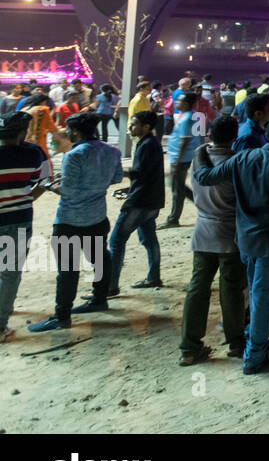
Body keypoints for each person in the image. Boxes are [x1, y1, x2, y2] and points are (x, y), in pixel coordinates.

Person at [193, 116, 269, 374]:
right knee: (263, 297)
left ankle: (255, 339)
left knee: (255, 293)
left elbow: (204, 177)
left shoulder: (242, 158)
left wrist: (201, 151)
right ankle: (255, 355)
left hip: (245, 237)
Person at [27, 112, 120, 332]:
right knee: (99, 259)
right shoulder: (112, 151)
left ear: (75, 131)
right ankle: (99, 298)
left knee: (68, 269)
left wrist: (49, 185)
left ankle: (62, 315)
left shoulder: (74, 155)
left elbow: (66, 190)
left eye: (68, 129)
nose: (66, 132)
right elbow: (116, 179)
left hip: (70, 220)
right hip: (97, 216)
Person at [178, 114, 246, 366]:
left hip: (203, 230)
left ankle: (189, 346)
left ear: (210, 135)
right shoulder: (237, 163)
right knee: (232, 291)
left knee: (197, 288)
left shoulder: (199, 158)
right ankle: (236, 343)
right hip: (230, 234)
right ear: (234, 138)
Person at [2, 112, 55, 338]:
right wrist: (23, 199)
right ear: (24, 132)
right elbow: (45, 183)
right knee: (10, 272)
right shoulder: (35, 153)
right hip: (19, 219)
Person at [106, 111, 165, 292]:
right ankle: (153, 277)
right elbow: (148, 175)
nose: (130, 127)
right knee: (149, 238)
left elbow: (140, 173)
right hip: (152, 200)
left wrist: (118, 172)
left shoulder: (147, 144)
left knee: (116, 241)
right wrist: (130, 188)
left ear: (146, 126)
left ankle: (110, 286)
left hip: (140, 202)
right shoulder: (151, 143)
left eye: (134, 124)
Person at [161, 92, 200, 228]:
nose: (177, 103)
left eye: (180, 101)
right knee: (180, 187)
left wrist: (177, 161)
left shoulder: (186, 119)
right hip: (188, 156)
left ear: (186, 104)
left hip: (181, 158)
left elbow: (184, 140)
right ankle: (201, 205)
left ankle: (173, 219)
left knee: (177, 189)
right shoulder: (195, 115)